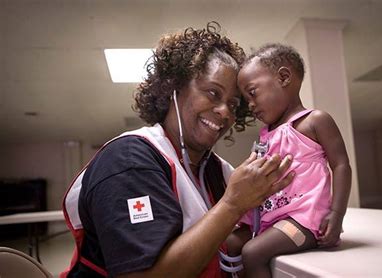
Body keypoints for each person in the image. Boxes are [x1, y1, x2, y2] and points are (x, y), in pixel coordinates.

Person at [61, 23, 295, 278]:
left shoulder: (217, 171)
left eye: (233, 104)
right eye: (213, 93)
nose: (225, 111)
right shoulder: (128, 161)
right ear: (175, 87)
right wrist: (233, 204)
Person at [226, 43, 352, 277]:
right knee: (229, 243)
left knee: (253, 253)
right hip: (269, 218)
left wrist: (337, 214)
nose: (251, 105)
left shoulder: (315, 121)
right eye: (246, 99)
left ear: (284, 77)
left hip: (304, 221)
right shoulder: (266, 134)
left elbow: (341, 165)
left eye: (252, 93)